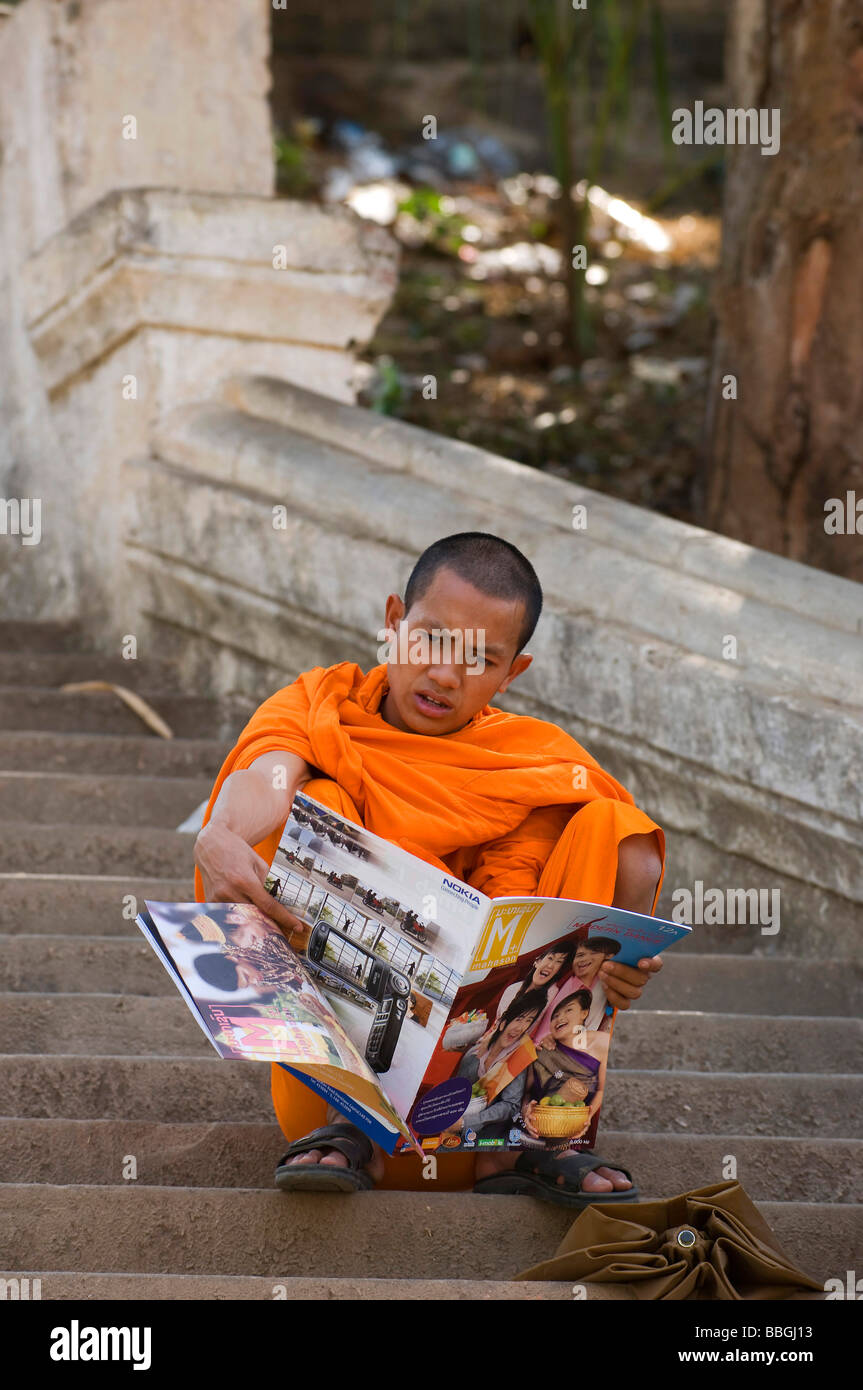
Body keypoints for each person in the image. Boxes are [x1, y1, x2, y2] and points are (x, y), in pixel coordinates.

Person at [194, 531, 665, 1204]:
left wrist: (625, 962)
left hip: (495, 1125)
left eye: (481, 659)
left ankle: (528, 1143)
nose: (447, 674)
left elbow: (634, 854)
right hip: (335, 1119)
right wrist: (219, 835)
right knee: (317, 799)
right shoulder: (322, 703)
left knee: (600, 820)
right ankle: (357, 1111)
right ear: (393, 622)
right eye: (432, 640)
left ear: (512, 674)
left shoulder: (530, 761)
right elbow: (269, 777)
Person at [444, 991, 546, 1142]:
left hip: (488, 1134)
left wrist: (466, 1123)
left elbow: (510, 1105)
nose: (521, 1028)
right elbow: (459, 1090)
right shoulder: (474, 1053)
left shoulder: (519, 1055)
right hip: (454, 1123)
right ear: (503, 1023)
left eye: (528, 1021)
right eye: (519, 1019)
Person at [520, 991, 610, 1149]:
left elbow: (602, 1089)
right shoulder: (542, 1050)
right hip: (535, 1129)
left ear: (584, 1013)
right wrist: (525, 1110)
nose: (559, 1018)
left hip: (573, 1130)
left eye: (568, 1010)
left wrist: (587, 1117)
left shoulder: (602, 1042)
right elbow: (526, 1093)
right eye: (554, 1016)